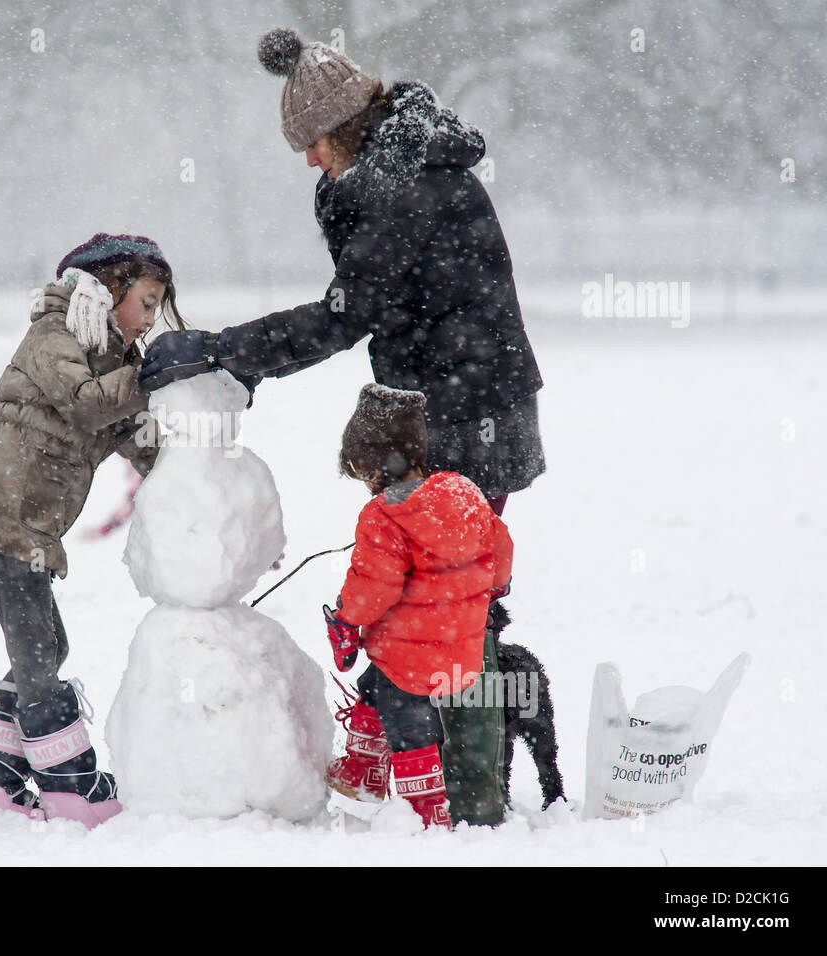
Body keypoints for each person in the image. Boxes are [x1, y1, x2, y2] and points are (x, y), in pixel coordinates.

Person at [139, 28, 545, 823]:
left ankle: (467, 791)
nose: (308, 161)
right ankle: (458, 777)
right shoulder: (404, 169)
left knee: (450, 602)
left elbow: (346, 312)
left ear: (346, 129)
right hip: (463, 405)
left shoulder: (407, 188)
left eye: (313, 144)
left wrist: (227, 352)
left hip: (468, 414)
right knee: (455, 597)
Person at [0, 234, 181, 828]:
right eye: (145, 303)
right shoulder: (55, 336)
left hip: (22, 521)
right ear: (106, 290)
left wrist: (199, 488)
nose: (150, 320)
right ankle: (71, 787)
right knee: (40, 652)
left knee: (47, 647)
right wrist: (152, 373)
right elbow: (89, 405)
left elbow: (140, 440)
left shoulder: (114, 363)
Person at [324, 385, 513, 827]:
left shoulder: (383, 515)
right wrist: (486, 591)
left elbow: (374, 587)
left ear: (370, 466)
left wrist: (346, 621)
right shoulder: (463, 492)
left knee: (409, 722)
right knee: (373, 685)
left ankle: (425, 811)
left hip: (408, 658)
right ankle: (362, 771)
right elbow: (501, 557)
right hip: (461, 655)